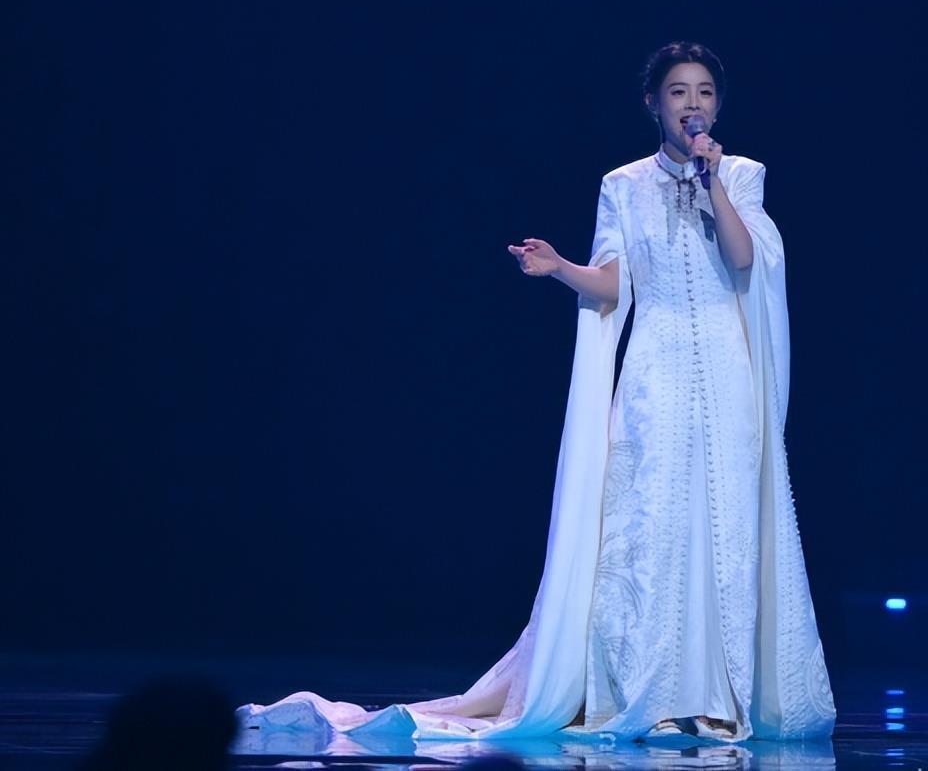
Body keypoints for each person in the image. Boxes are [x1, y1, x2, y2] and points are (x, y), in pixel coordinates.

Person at [236, 42, 835, 744]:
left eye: (704, 92)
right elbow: (615, 284)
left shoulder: (740, 174)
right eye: (678, 91)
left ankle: (721, 695)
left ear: (719, 104)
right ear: (653, 103)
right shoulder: (622, 185)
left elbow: (742, 258)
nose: (693, 104)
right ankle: (653, 691)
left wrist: (714, 185)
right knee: (653, 527)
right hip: (655, 372)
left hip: (728, 374)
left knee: (724, 528)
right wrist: (559, 268)